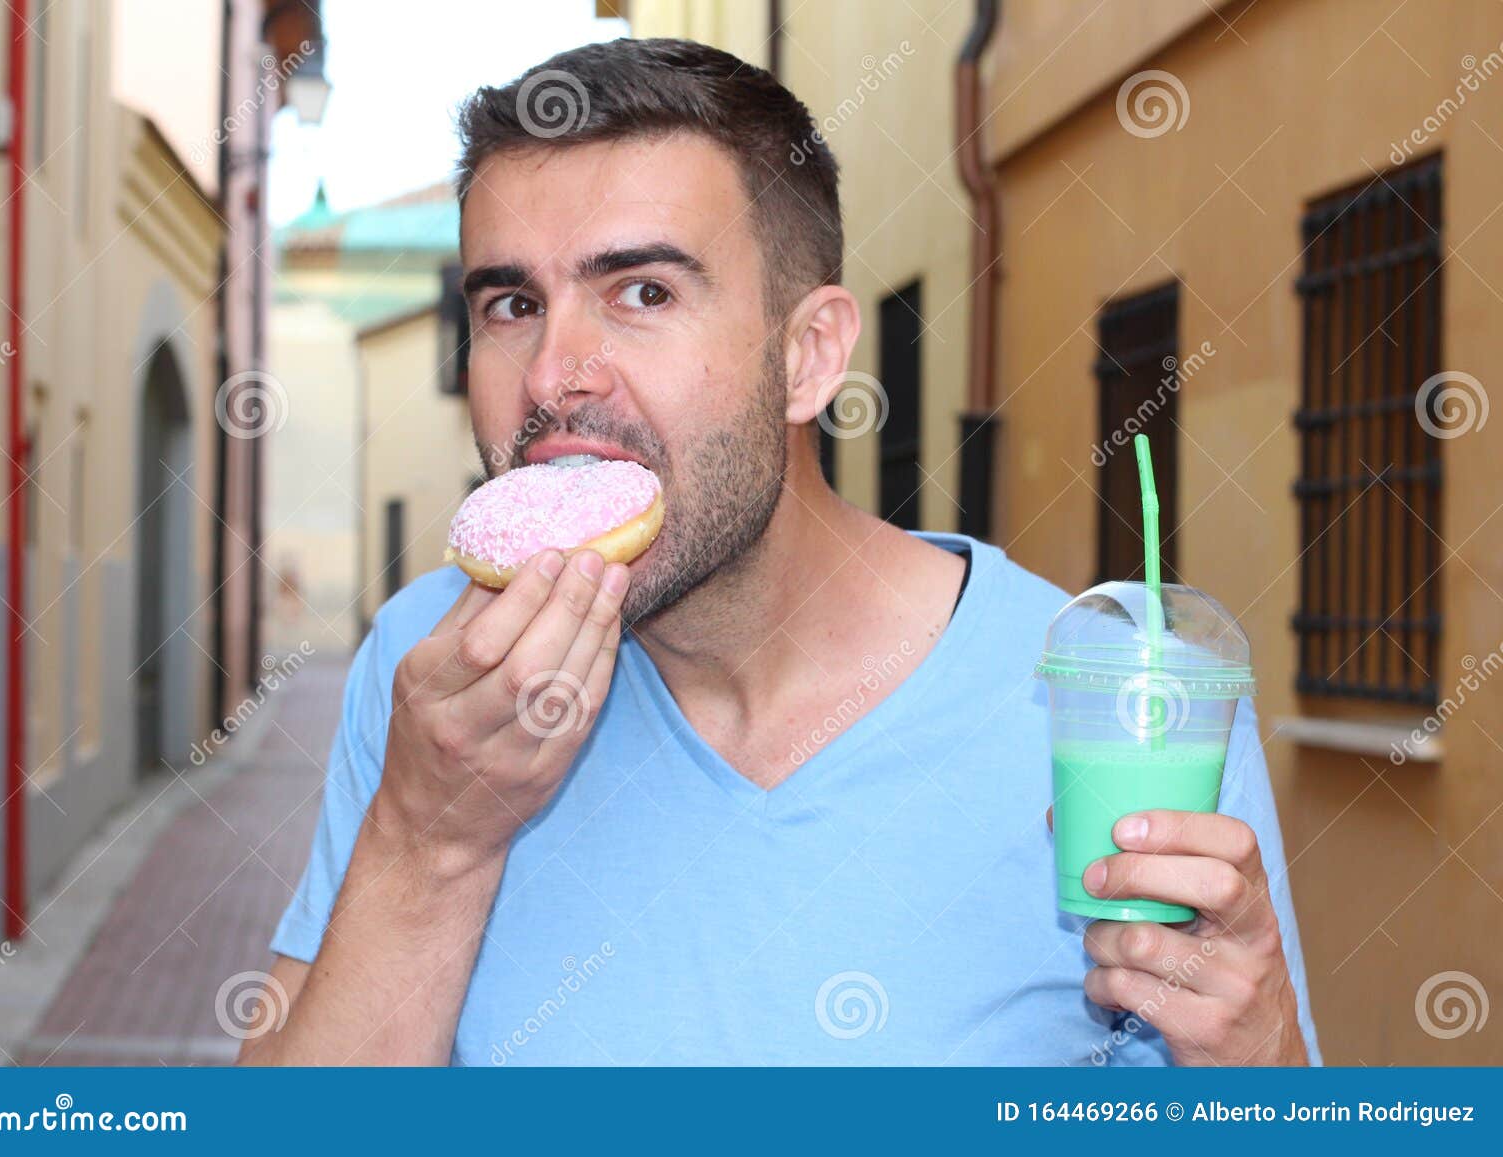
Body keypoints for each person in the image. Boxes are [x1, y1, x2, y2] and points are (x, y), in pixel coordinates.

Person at [239, 37, 1320, 1067]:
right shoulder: (433, 669)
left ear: (809, 357)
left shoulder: (1116, 703)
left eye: (643, 293)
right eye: (512, 303)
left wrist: (1259, 1051)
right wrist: (429, 843)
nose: (553, 374)